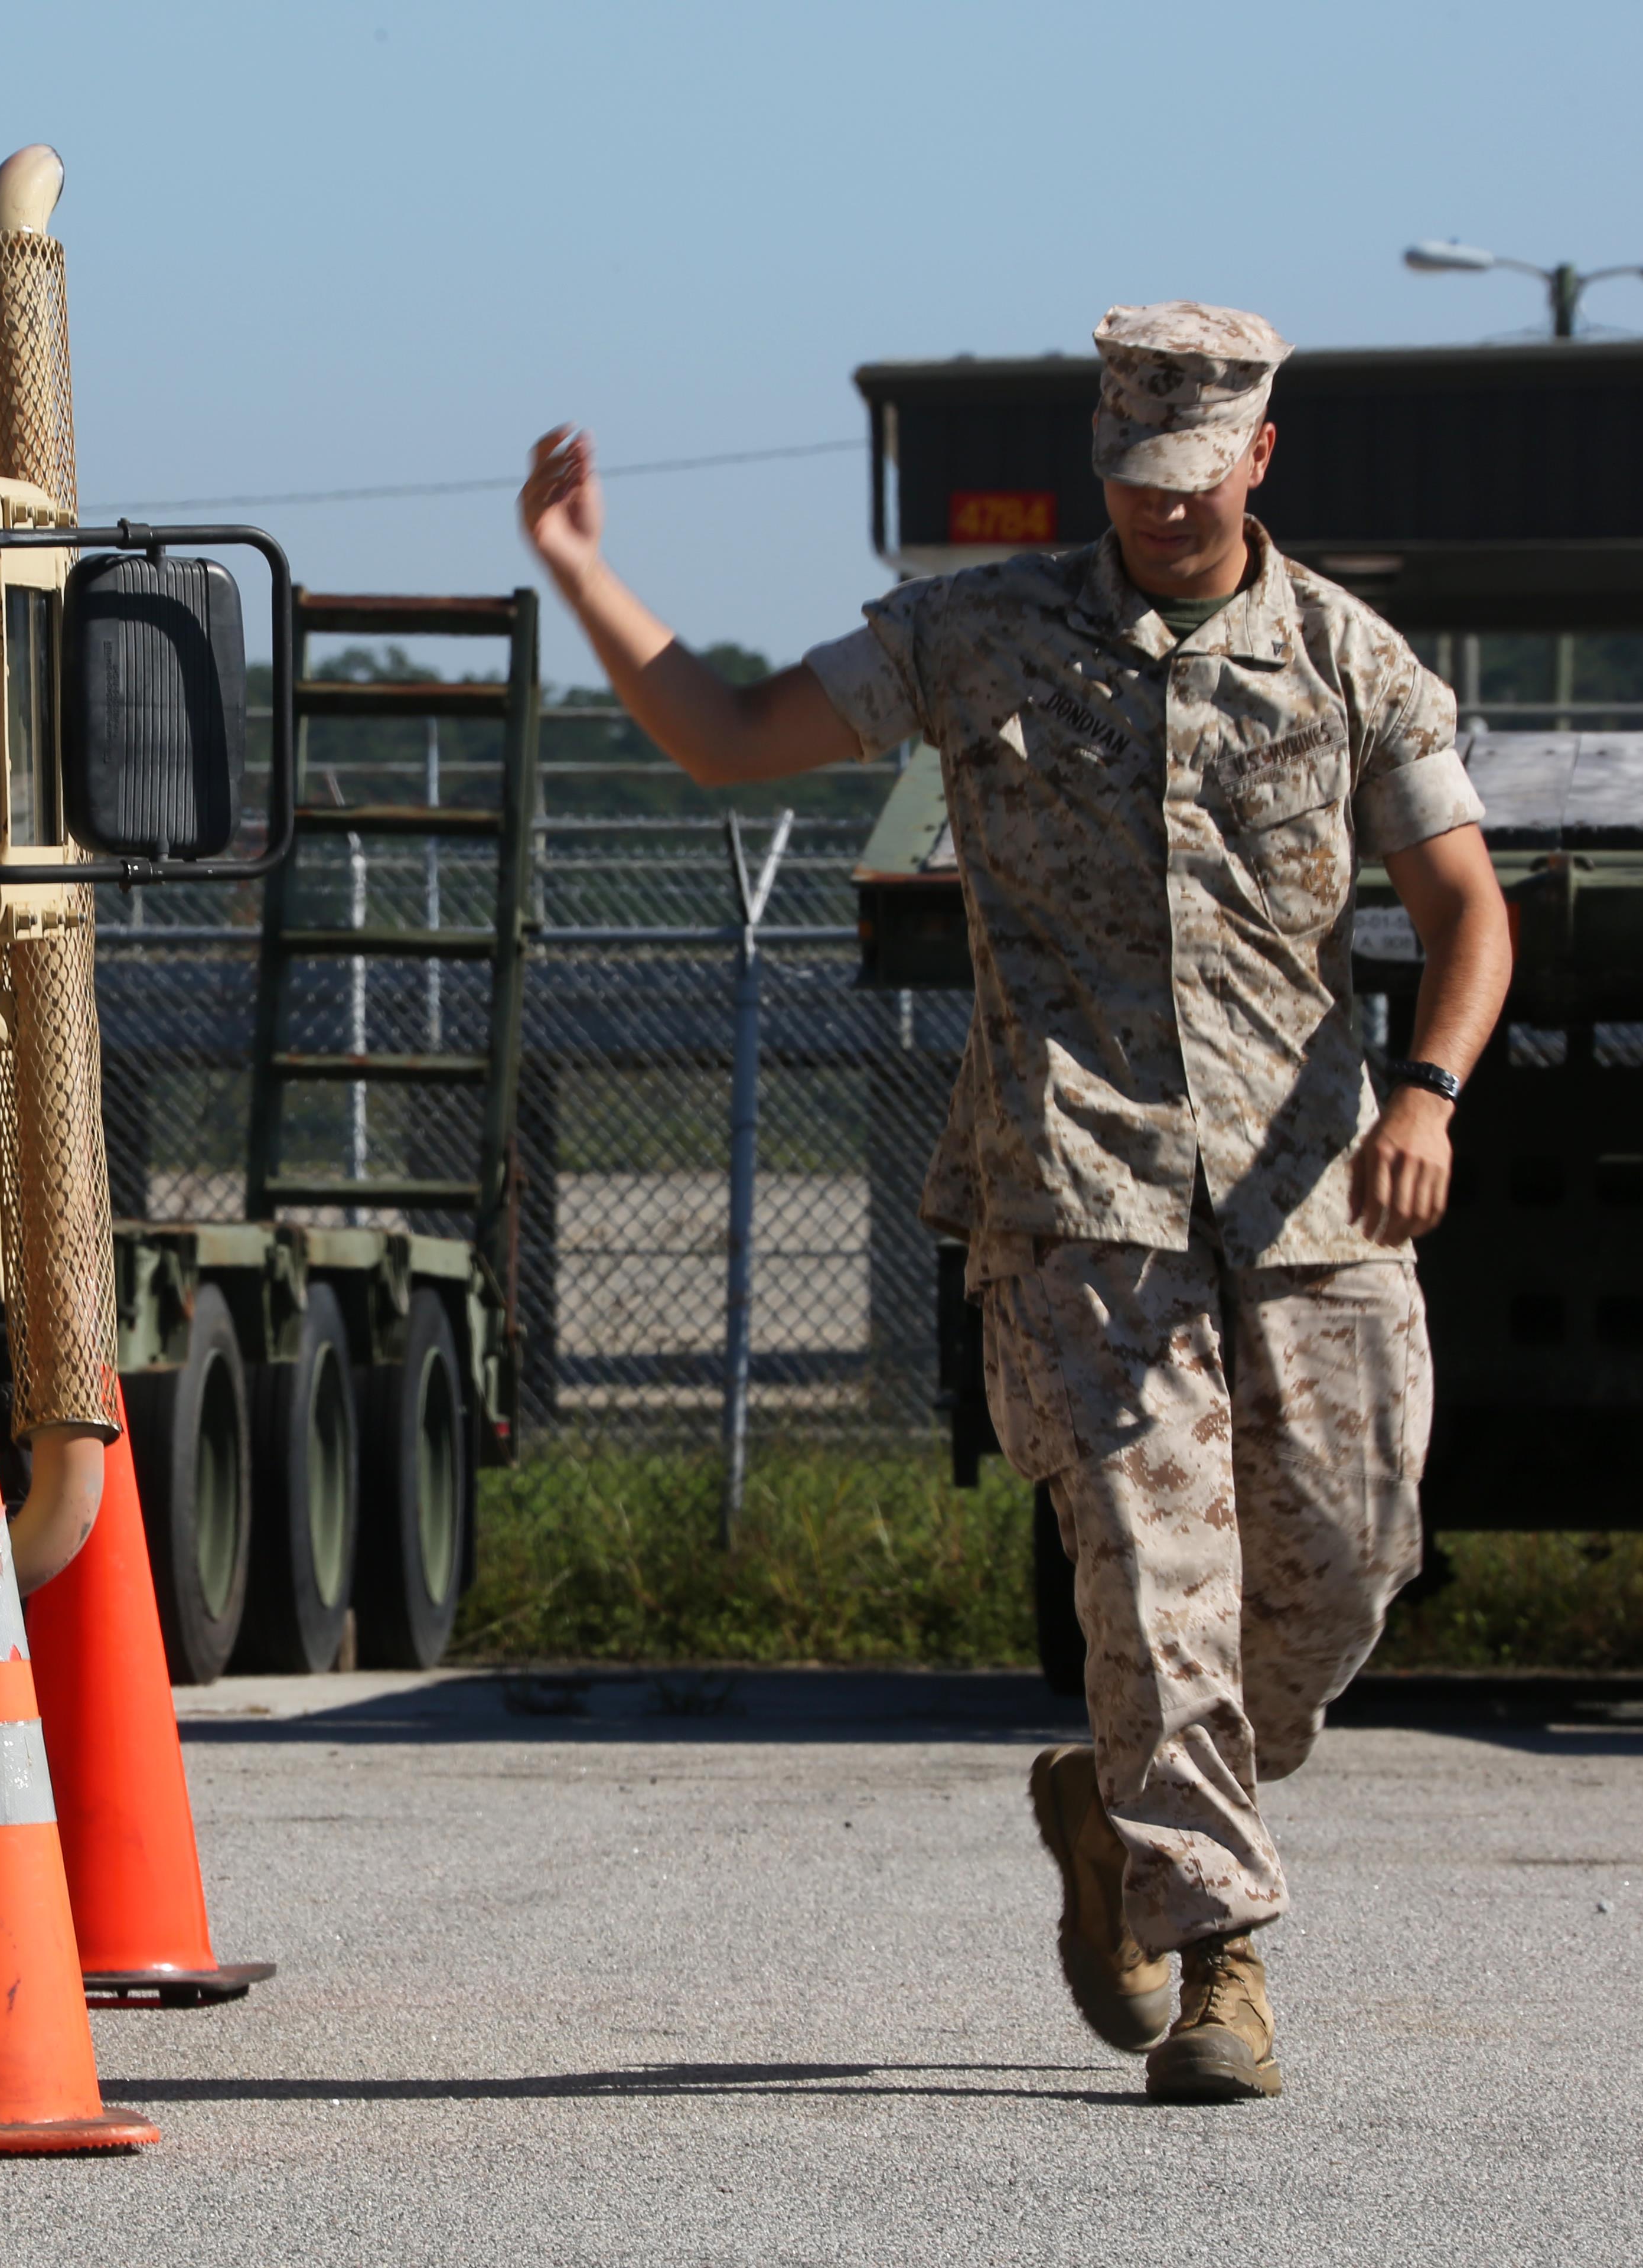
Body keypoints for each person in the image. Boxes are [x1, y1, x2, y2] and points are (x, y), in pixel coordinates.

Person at [519, 302, 1513, 2104]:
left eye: (1194, 478)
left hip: (1309, 1203)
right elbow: (729, 736)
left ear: (1261, 458)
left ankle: (1115, 1807)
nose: (1162, 509)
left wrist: (1429, 1091)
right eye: (1133, 476)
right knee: (1154, 1578)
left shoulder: (1351, 660)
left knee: (1344, 1568)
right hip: (1076, 1193)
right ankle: (1221, 1962)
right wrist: (584, 572)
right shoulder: (979, 635)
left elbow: (1467, 910)